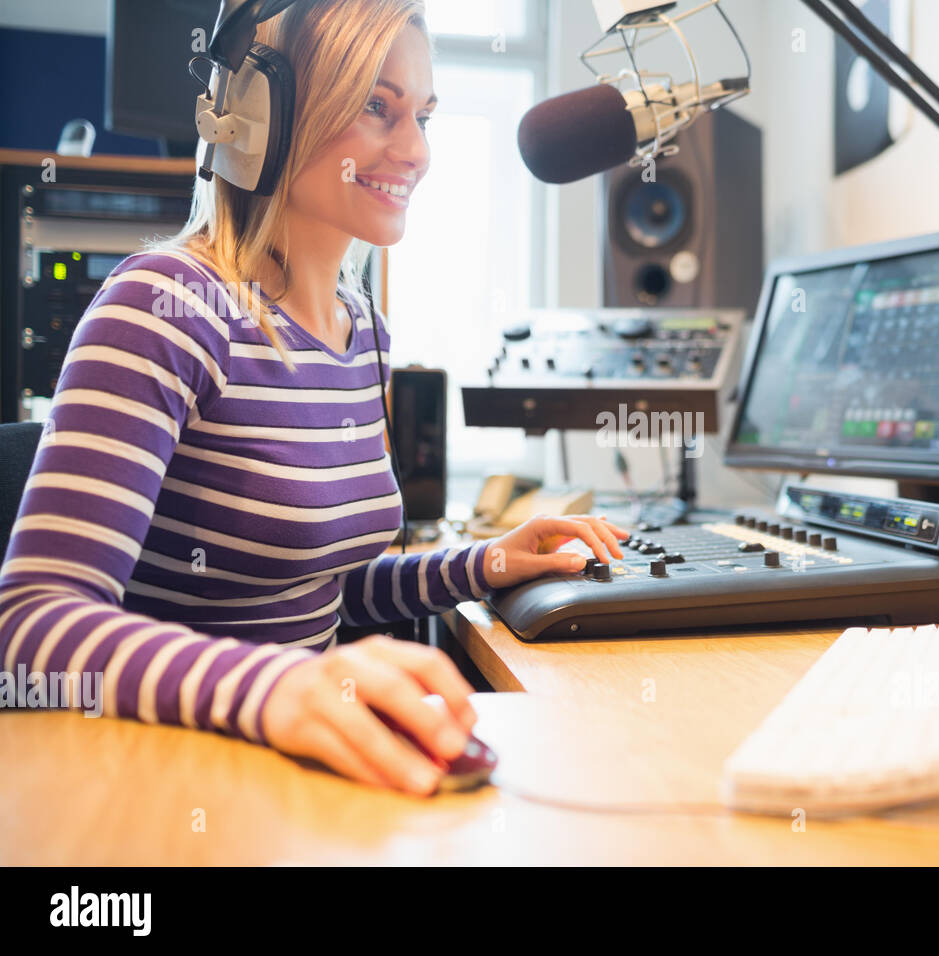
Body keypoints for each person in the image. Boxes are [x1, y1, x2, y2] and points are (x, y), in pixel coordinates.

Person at [0, 0, 626, 796]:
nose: (416, 152)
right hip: (168, 781)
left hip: (301, 773)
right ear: (261, 115)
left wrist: (489, 562)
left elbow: (321, 585)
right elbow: (32, 626)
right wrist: (273, 686)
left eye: (424, 116)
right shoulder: (165, 306)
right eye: (377, 107)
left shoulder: (361, 326)